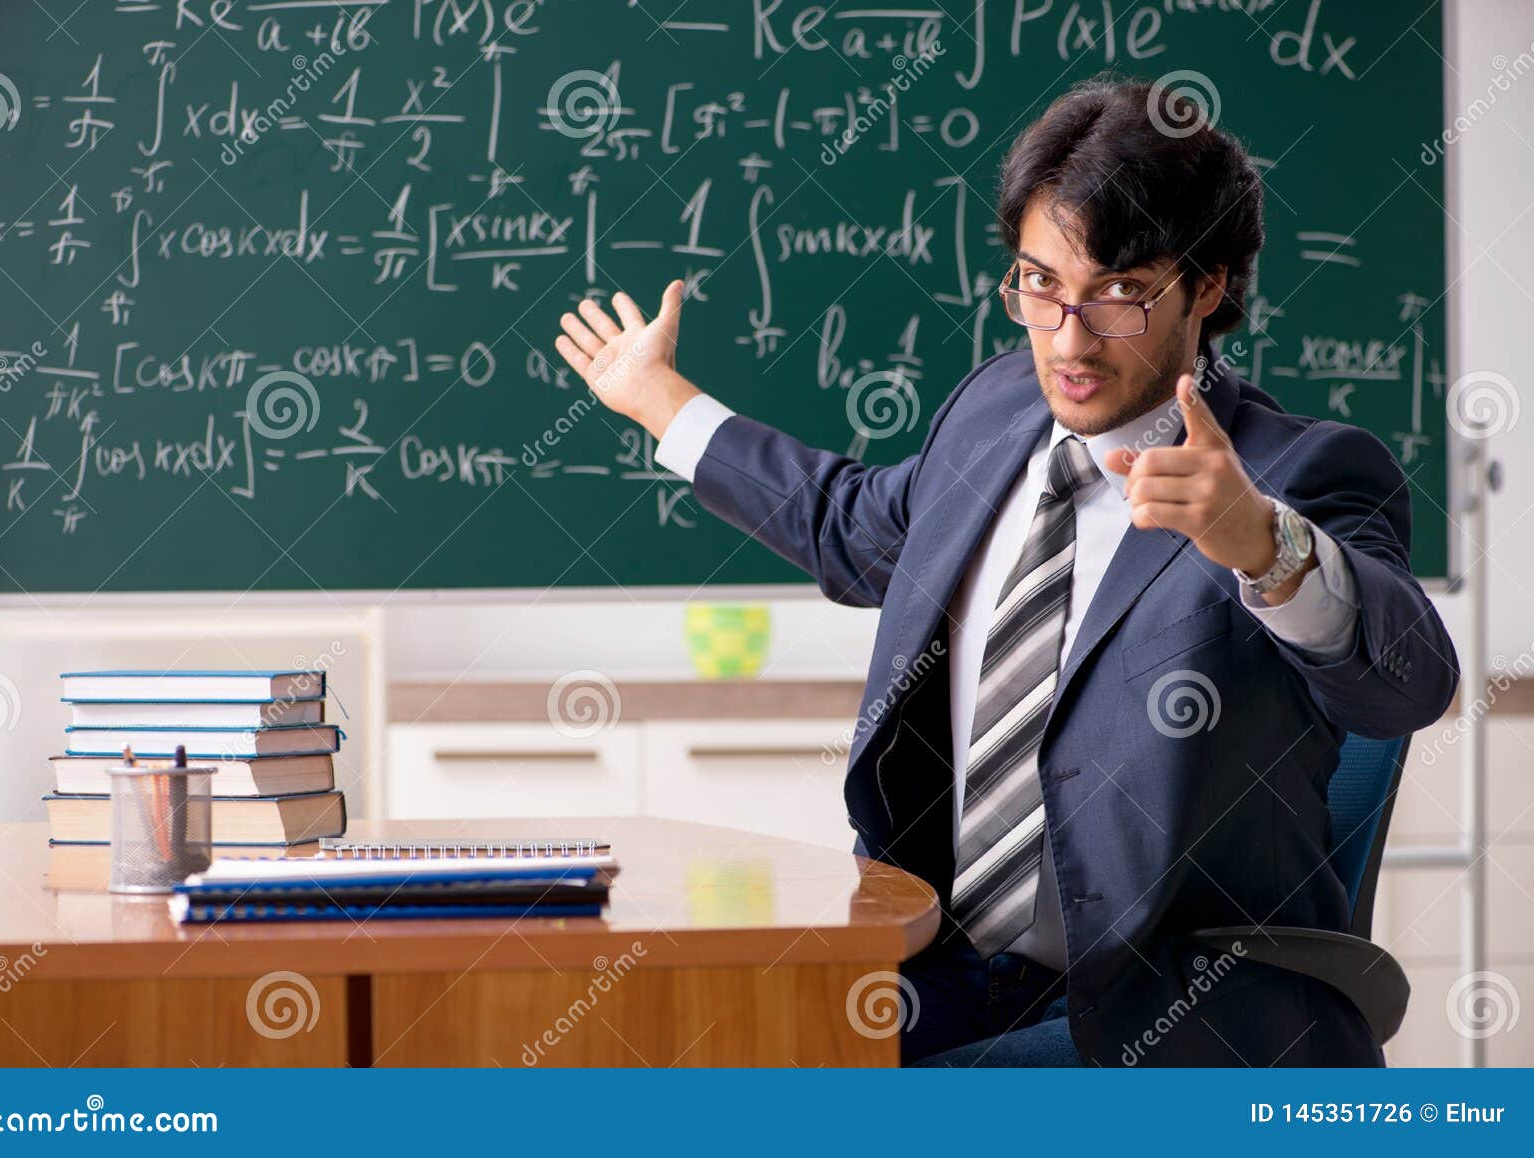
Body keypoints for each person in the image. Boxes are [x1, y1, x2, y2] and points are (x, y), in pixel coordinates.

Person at [551, 76, 1458, 1067]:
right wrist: (658, 401)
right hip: (932, 972)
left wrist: (1265, 547)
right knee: (688, 1059)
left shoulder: (1295, 475)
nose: (1067, 339)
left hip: (1154, 1014)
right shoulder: (991, 413)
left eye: (1119, 294)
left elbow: (1410, 682)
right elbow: (851, 525)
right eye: (1039, 283)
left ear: (1208, 286)